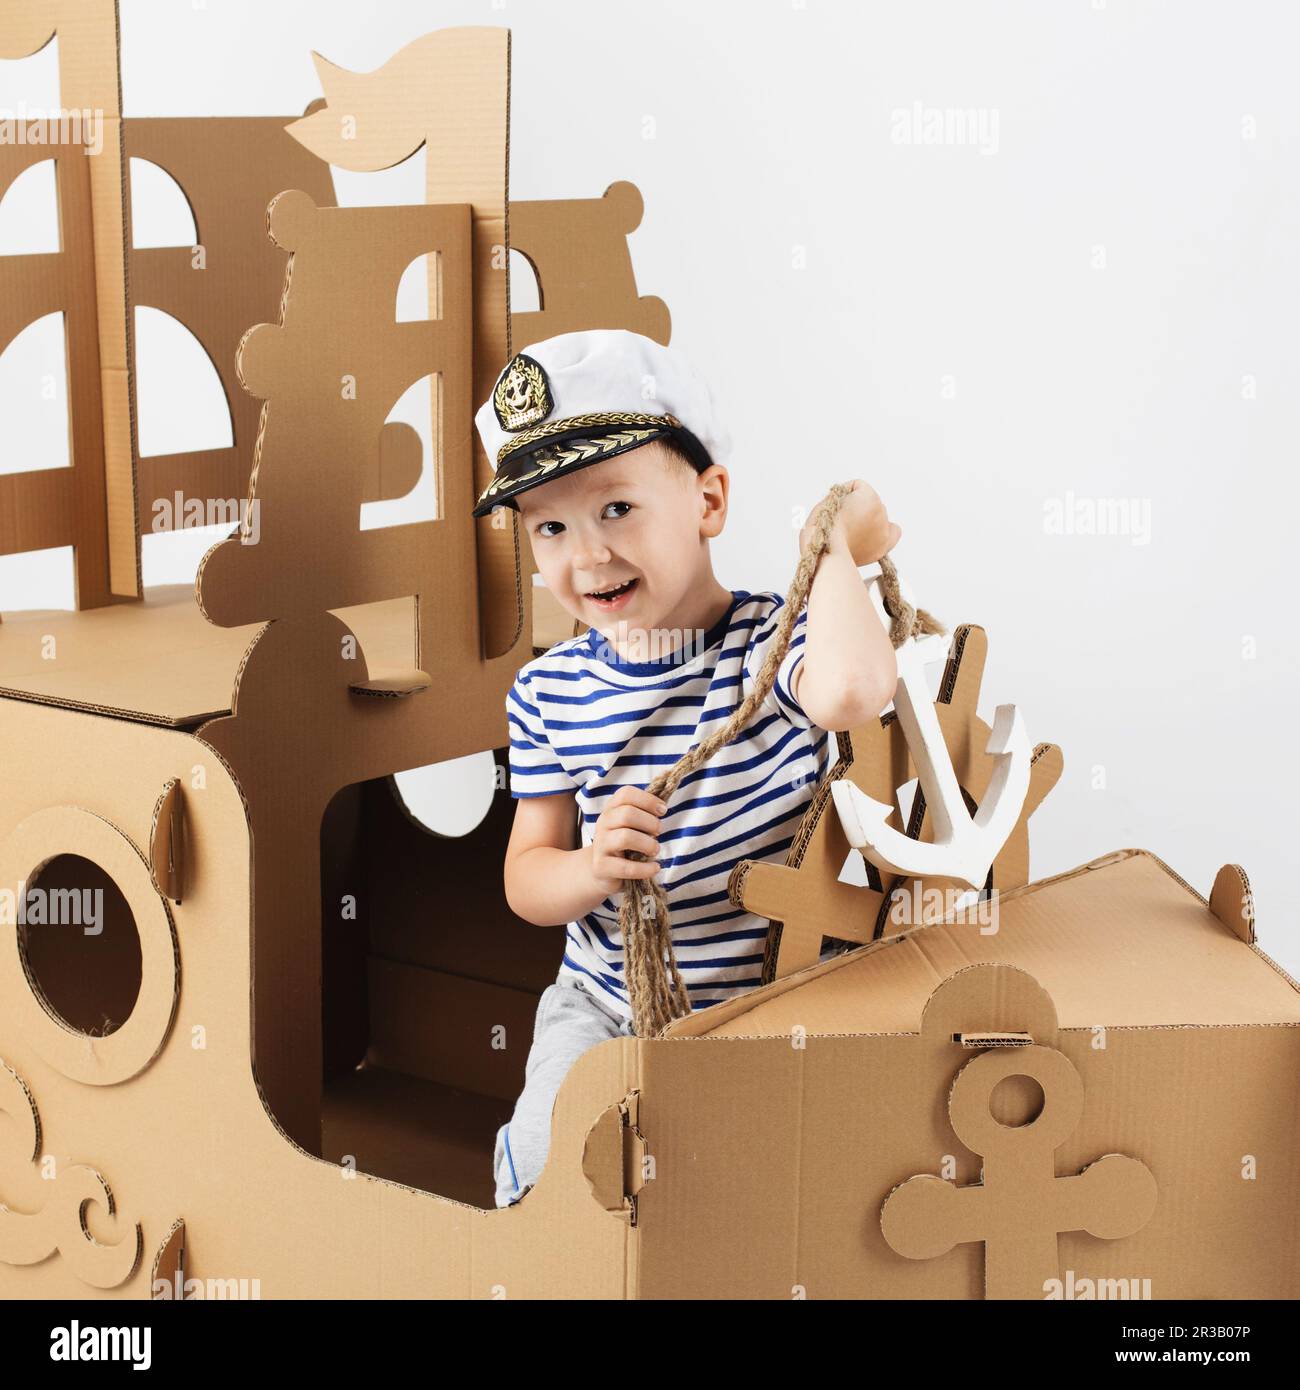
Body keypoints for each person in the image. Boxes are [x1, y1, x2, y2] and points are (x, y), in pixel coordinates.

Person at [472, 329, 900, 1208]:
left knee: (748, 1195)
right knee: (558, 1160)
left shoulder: (767, 647)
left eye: (616, 509)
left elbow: (855, 689)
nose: (585, 554)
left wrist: (833, 545)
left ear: (709, 501)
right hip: (605, 1002)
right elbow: (526, 876)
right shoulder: (546, 692)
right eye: (549, 526)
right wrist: (590, 870)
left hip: (766, 1002)